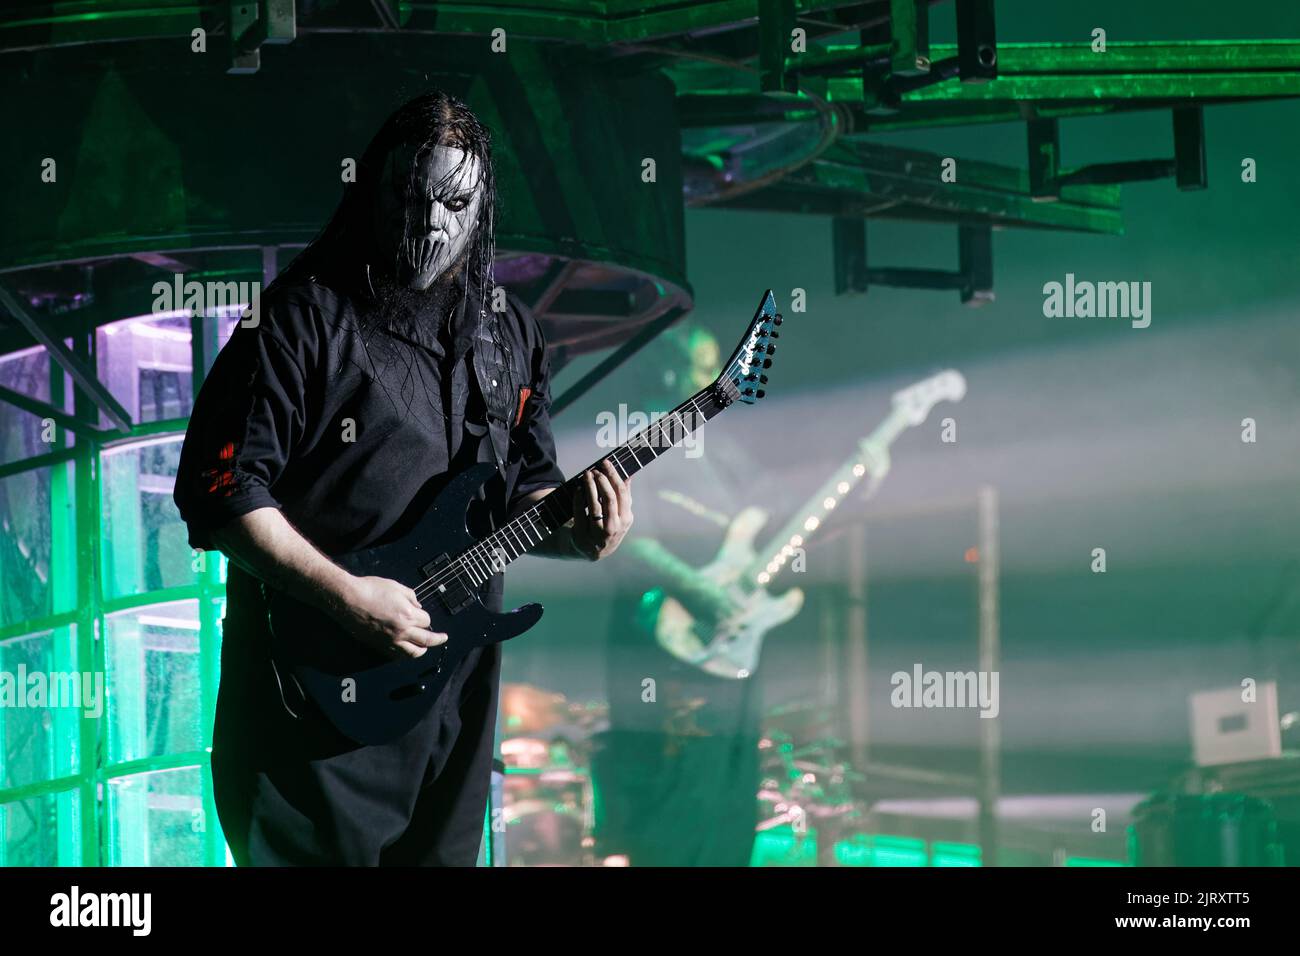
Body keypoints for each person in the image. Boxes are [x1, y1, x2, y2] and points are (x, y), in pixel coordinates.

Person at [173, 91, 633, 866]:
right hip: (310, 713)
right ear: (372, 191)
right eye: (408, 198)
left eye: (455, 203)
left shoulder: (508, 331)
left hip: (453, 701)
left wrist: (582, 531)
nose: (430, 224)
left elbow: (523, 494)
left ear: (483, 207)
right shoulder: (298, 320)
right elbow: (224, 493)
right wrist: (347, 598)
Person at [592, 325, 770, 866]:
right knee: (675, 798)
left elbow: (775, 515)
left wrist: (866, 477)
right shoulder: (636, 436)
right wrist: (697, 591)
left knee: (731, 794)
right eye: (701, 367)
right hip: (662, 651)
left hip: (729, 650)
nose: (716, 380)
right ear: (668, 371)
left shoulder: (729, 453)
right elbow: (624, 539)